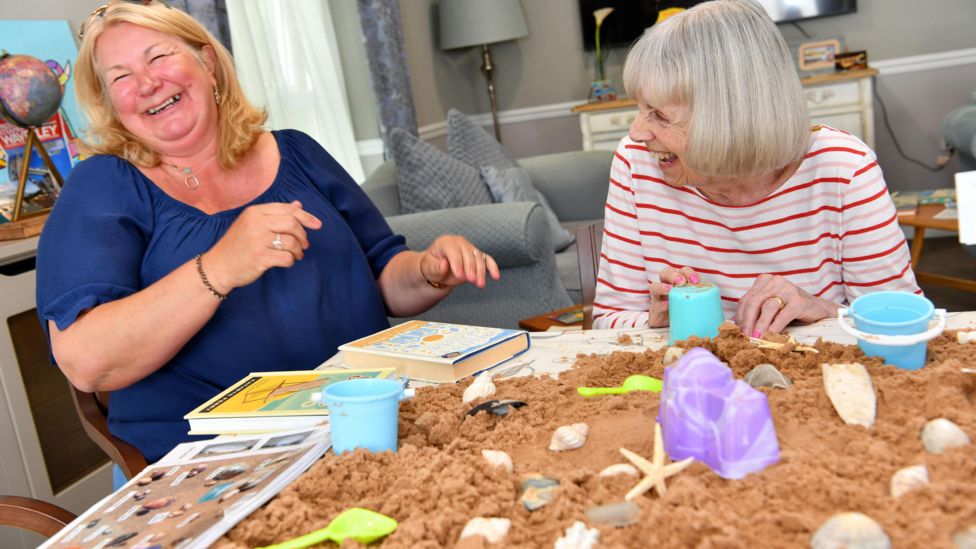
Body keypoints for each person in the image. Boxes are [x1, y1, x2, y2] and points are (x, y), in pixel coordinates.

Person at [36, 1, 499, 469]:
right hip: (215, 462)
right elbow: (84, 359)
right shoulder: (104, 186)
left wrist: (429, 270)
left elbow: (384, 274)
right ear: (111, 104)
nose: (147, 83)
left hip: (365, 427)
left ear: (208, 64)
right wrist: (219, 267)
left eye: (158, 57)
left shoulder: (298, 152)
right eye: (120, 77)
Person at [592, 0, 920, 336]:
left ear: (731, 119)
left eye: (659, 114)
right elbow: (609, 318)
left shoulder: (844, 168)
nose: (637, 132)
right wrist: (654, 322)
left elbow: (899, 323)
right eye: (640, 109)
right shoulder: (636, 161)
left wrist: (819, 309)